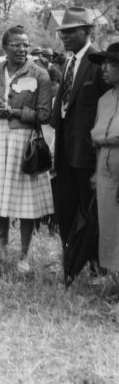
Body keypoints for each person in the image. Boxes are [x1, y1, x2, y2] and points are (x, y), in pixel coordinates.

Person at [0, 26, 54, 272]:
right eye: (16, 44)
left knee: (25, 201)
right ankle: (2, 248)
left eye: (25, 45)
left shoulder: (39, 74)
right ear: (5, 47)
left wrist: (15, 112)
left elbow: (44, 114)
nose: (22, 49)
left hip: (24, 141)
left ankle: (24, 255)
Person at [51, 7, 109, 246]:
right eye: (62, 33)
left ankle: (96, 269)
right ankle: (70, 260)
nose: (64, 37)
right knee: (66, 208)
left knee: (91, 211)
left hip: (88, 155)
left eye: (71, 32)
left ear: (88, 31)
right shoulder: (67, 63)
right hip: (65, 153)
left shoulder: (98, 63)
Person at [89, 43, 119, 275]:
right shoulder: (105, 99)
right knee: (108, 222)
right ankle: (113, 277)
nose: (104, 69)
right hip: (104, 165)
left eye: (110, 64)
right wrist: (95, 173)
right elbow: (98, 136)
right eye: (104, 64)